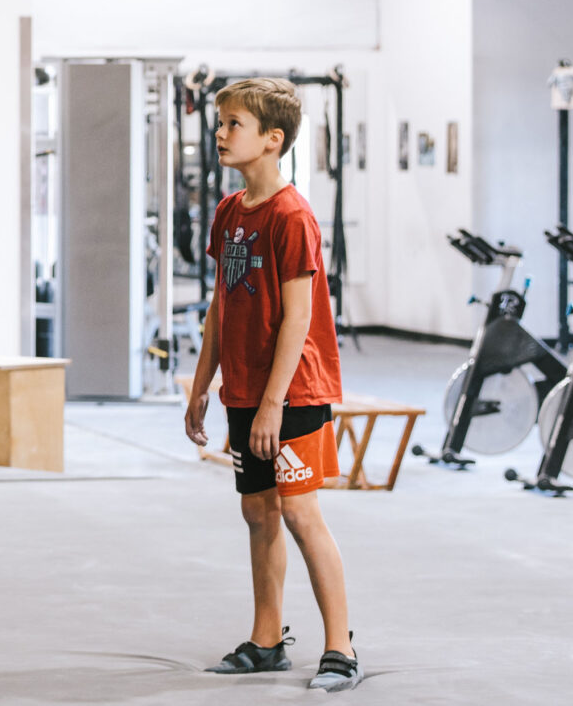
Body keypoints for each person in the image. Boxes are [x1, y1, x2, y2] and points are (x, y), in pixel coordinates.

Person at [182, 79, 360, 693]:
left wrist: (272, 405)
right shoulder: (232, 212)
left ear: (272, 139)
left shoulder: (292, 215)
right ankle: (266, 640)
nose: (221, 134)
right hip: (242, 391)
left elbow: (298, 317)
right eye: (221, 123)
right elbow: (219, 307)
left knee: (301, 514)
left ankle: (340, 646)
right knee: (258, 512)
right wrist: (202, 385)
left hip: (292, 393)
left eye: (233, 124)